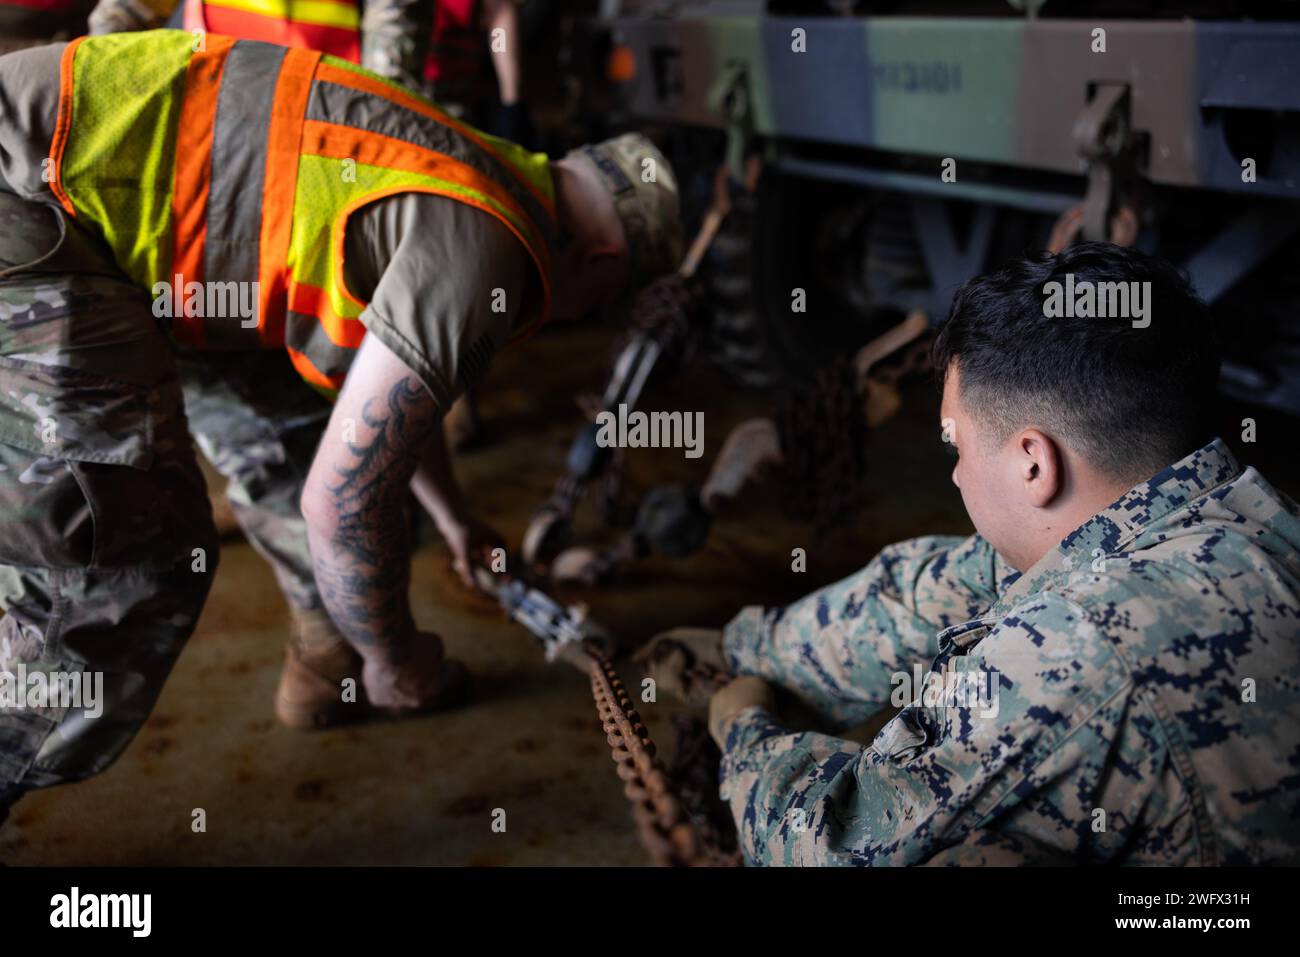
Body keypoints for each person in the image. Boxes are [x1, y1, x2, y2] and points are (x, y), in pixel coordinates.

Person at [0, 29, 681, 826]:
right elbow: (346, 504)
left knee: (292, 433)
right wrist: (396, 657)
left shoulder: (476, 163)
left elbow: (384, 399)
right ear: (603, 261)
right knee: (120, 563)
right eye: (602, 301)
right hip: (29, 198)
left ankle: (330, 663)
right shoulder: (491, 242)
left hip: (100, 213)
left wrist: (455, 521)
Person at [643, 243, 1300, 865]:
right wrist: (749, 649)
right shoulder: (1240, 519)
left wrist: (744, 727)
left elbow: (830, 845)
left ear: (1032, 461)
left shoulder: (1082, 642)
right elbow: (931, 592)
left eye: (955, 447)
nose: (955, 475)